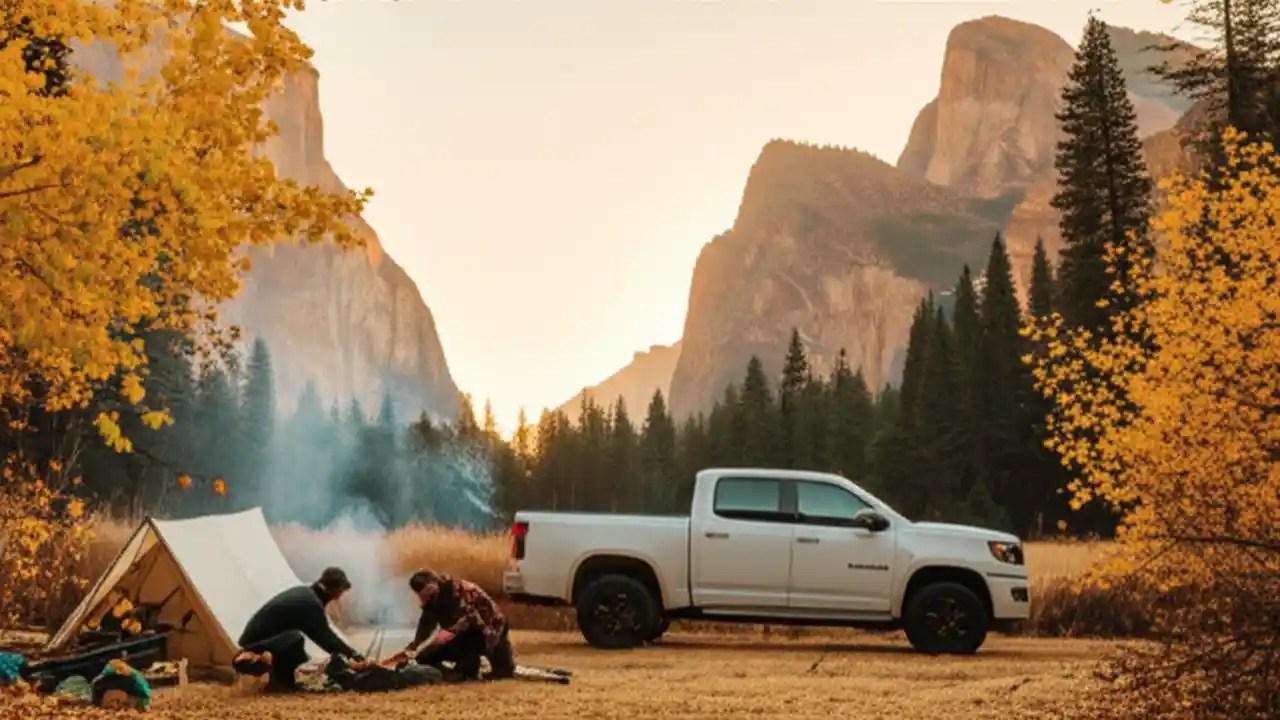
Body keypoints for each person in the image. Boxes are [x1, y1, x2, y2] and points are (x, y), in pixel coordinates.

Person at [233, 567, 365, 692]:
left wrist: (348, 653)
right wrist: (353, 654)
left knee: (295, 645)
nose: (341, 595)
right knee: (295, 642)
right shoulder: (310, 603)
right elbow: (326, 638)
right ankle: (280, 681)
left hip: (261, 639)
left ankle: (281, 680)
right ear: (336, 589)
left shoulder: (307, 595)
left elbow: (320, 634)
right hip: (256, 644)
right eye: (341, 590)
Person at [386, 570, 515, 681]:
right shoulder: (431, 600)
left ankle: (467, 672)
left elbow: (469, 619)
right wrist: (412, 650)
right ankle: (447, 673)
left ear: (434, 583)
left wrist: (448, 633)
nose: (426, 595)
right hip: (458, 636)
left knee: (503, 672)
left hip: (489, 631)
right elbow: (425, 628)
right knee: (424, 656)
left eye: (427, 589)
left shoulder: (462, 590)